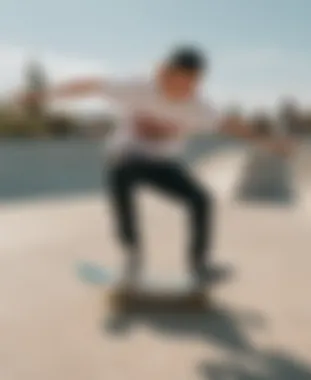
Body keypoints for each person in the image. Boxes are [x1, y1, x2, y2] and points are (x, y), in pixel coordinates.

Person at [19, 45, 292, 284]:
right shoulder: (138, 88)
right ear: (164, 73)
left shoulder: (199, 106)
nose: (183, 89)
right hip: (126, 158)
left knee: (201, 200)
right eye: (178, 81)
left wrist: (269, 143)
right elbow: (92, 85)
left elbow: (231, 126)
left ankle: (199, 264)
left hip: (163, 165)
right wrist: (45, 94)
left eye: (190, 84)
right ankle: (132, 254)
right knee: (122, 174)